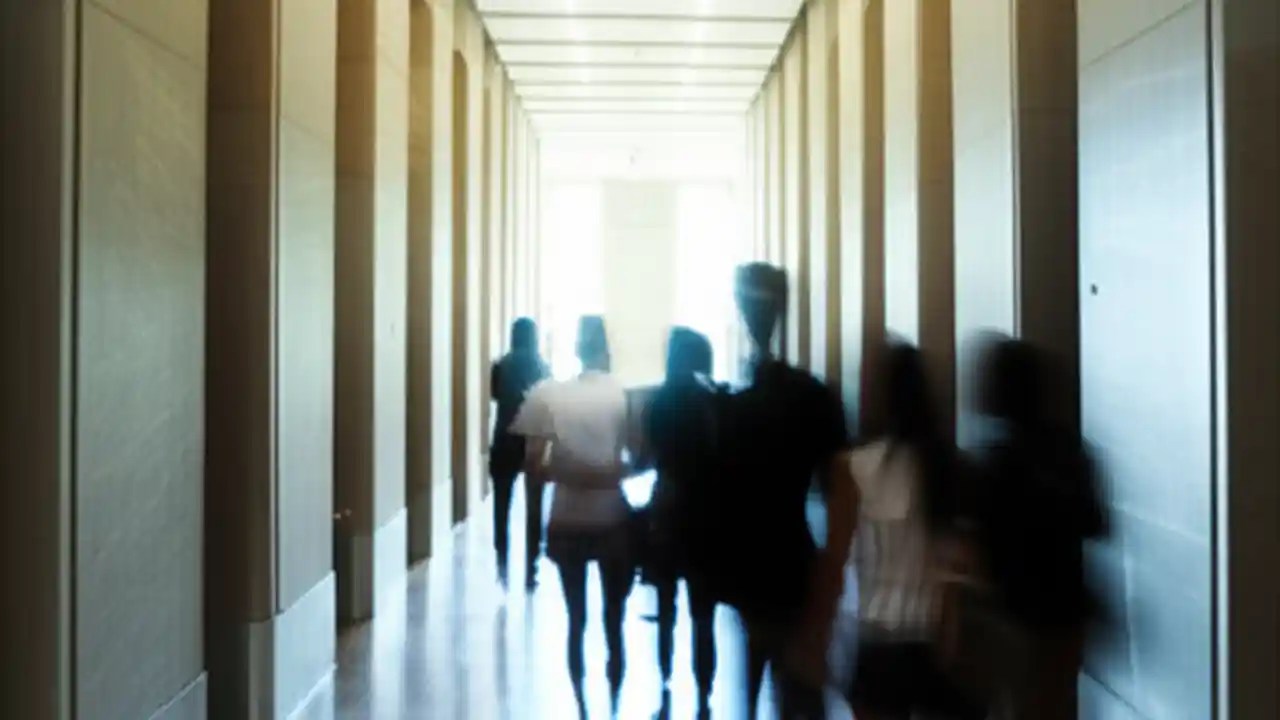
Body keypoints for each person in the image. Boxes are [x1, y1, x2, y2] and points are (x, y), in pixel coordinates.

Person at [710, 263, 856, 719]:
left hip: (750, 562)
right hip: (793, 557)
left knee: (757, 675)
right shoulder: (811, 395)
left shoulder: (733, 403)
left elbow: (721, 492)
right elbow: (837, 488)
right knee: (798, 687)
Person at [838, 342, 980, 720]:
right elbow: (956, 566)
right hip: (926, 638)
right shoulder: (945, 468)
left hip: (876, 640)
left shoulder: (858, 467)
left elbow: (839, 557)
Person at [973, 337, 1106, 720]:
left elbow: (985, 546)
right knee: (1058, 706)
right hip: (1067, 609)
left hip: (1015, 612)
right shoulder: (1070, 449)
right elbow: (1097, 523)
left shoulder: (996, 460)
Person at [511, 316, 636, 718]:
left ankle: (581, 706)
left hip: (566, 519)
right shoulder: (622, 395)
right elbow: (634, 458)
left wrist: (569, 473)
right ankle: (614, 705)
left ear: (576, 348)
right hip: (612, 518)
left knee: (576, 620)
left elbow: (532, 467)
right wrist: (604, 475)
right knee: (614, 623)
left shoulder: (549, 396)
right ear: (605, 347)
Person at [645, 327, 722, 718]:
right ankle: (705, 686)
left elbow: (651, 451)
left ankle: (664, 674)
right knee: (703, 610)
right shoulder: (709, 401)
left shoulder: (659, 400)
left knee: (666, 600)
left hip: (668, 507)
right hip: (704, 512)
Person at [490, 317, 550, 589]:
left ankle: (502, 563)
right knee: (533, 508)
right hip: (531, 442)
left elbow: (495, 396)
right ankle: (531, 570)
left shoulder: (500, 366)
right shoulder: (542, 366)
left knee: (501, 506)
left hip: (504, 441)